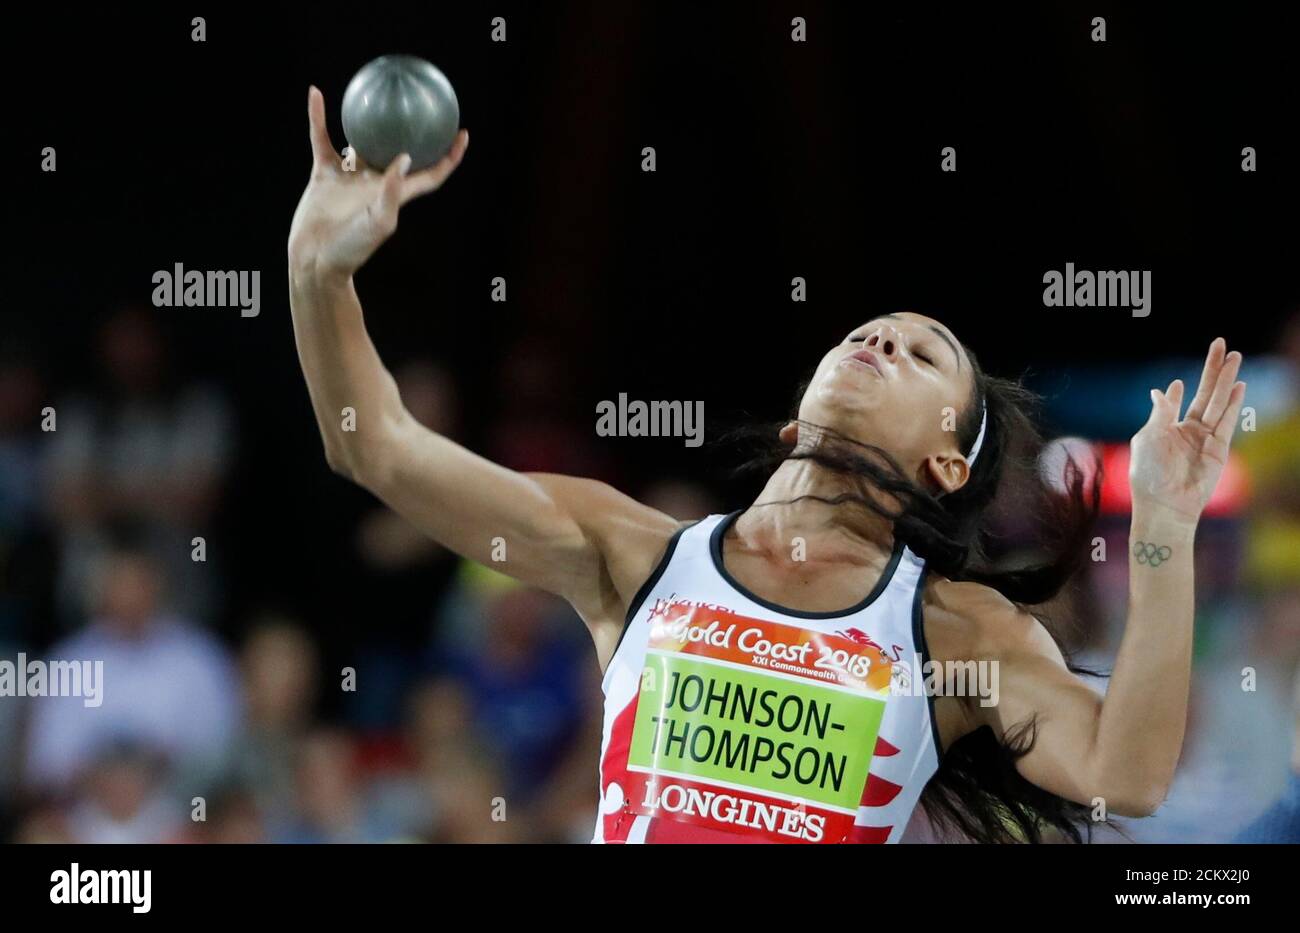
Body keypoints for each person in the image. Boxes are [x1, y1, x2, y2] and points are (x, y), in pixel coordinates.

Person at [287, 86, 1247, 843]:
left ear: (947, 464)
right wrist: (319, 272)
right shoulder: (633, 555)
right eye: (870, 332)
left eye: (922, 354)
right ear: (795, 422)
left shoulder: (956, 636)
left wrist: (1163, 530)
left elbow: (1127, 776)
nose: (879, 340)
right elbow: (371, 442)